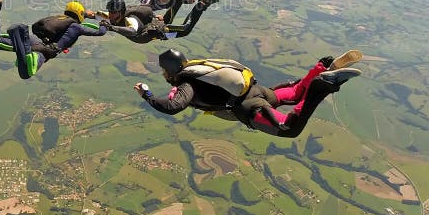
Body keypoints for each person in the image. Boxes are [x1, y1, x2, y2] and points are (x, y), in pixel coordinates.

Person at [133, 48, 362, 137]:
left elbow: (173, 106)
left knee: (290, 128)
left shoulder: (187, 85)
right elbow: (292, 93)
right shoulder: (198, 68)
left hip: (249, 108)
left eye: (164, 70)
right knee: (294, 93)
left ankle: (323, 86)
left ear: (170, 72)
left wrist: (148, 95)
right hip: (258, 91)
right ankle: (322, 68)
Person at [0, 0, 107, 79]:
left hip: (34, 39)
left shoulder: (60, 20)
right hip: (44, 51)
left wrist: (90, 15)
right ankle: (20, 32)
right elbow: (99, 32)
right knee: (26, 73)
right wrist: (104, 24)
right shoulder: (77, 27)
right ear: (80, 15)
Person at [96, 0, 217, 44]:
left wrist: (111, 28)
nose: (111, 15)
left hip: (158, 32)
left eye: (114, 13)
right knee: (166, 20)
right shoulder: (113, 16)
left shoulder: (130, 20)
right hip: (155, 24)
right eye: (110, 12)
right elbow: (95, 14)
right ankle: (179, 0)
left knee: (185, 30)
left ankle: (200, 6)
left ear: (121, 12)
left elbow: (132, 31)